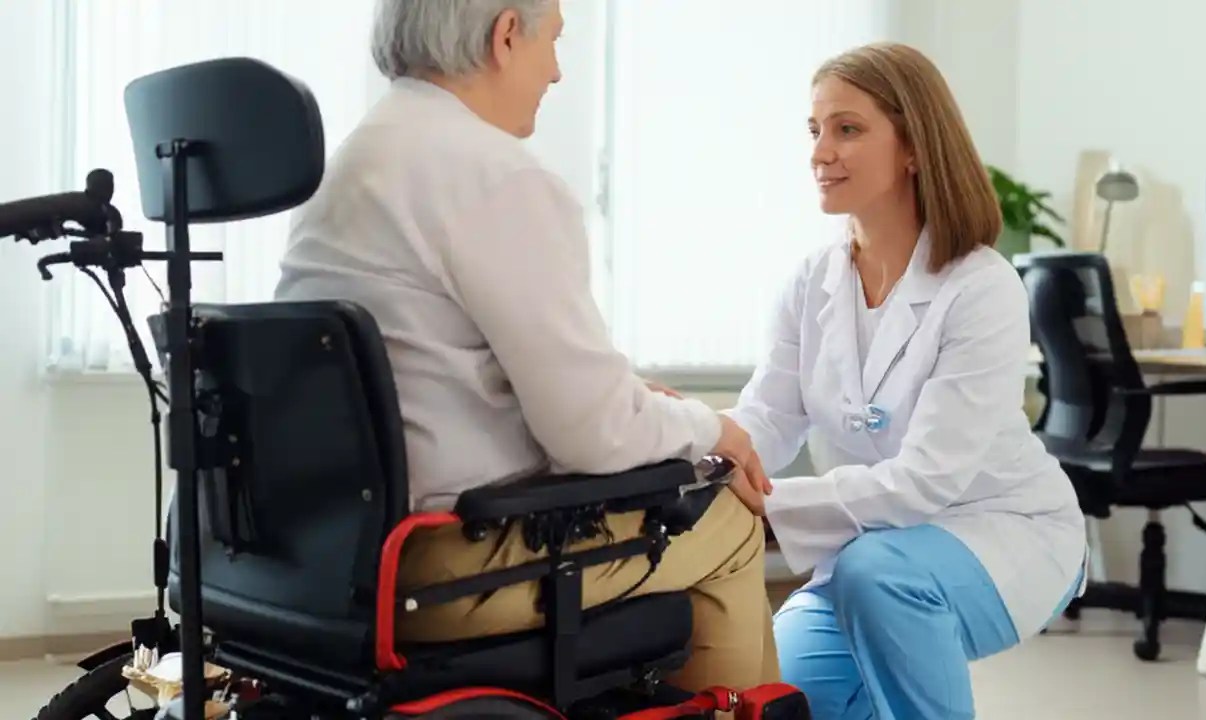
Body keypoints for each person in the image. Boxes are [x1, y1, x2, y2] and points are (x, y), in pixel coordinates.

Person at [273, 0, 778, 691]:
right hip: (443, 563)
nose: (558, 73)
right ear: (507, 35)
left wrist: (629, 405)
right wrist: (712, 427)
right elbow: (591, 435)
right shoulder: (496, 175)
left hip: (323, 556)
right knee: (726, 521)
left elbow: (443, 366)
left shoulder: (348, 167)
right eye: (554, 43)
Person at [725, 43, 1087, 719]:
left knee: (878, 577)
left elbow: (927, 481)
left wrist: (762, 510)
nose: (819, 152)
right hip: (874, 551)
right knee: (782, 699)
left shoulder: (981, 286)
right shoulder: (810, 281)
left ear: (914, 146)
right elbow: (767, 419)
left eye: (848, 129)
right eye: (815, 130)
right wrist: (699, 457)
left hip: (1003, 533)